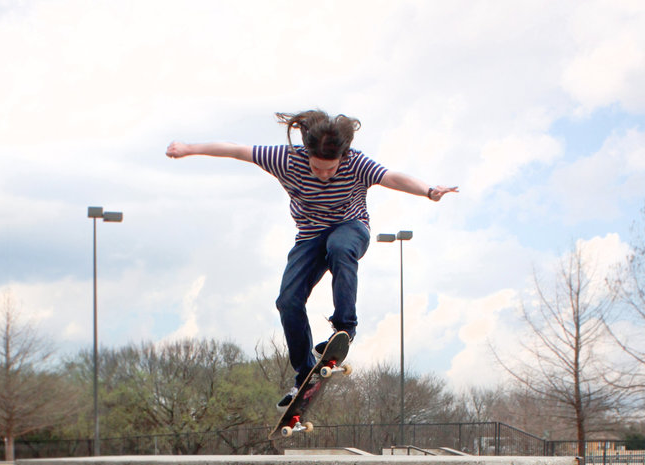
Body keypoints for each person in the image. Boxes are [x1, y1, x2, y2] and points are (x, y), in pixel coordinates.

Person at [166, 110, 457, 407]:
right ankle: (305, 374)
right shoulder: (286, 159)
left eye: (331, 170)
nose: (324, 175)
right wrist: (189, 149)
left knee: (340, 248)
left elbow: (391, 177)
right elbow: (236, 150)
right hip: (309, 236)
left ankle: (345, 328)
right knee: (287, 301)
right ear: (307, 155)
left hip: (350, 228)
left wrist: (428, 191)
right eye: (318, 168)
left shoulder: (355, 163)